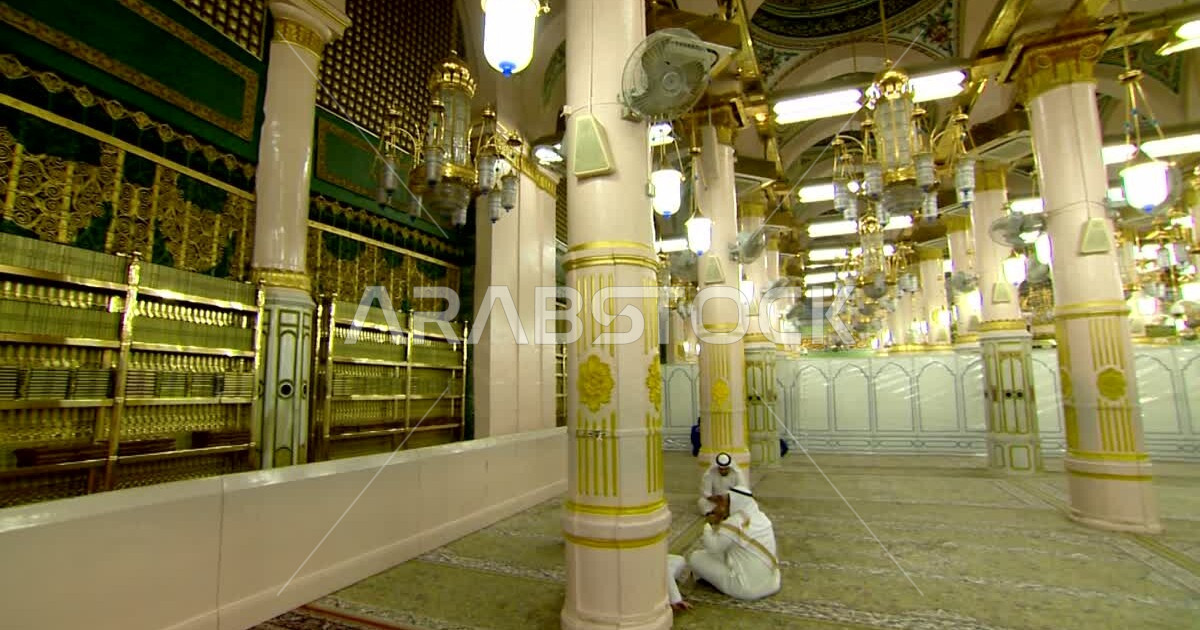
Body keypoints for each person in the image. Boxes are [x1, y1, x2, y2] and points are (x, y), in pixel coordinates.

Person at [688, 485, 781, 601]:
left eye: (726, 503)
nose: (723, 507)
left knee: (695, 557)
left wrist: (708, 525)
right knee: (726, 551)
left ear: (735, 503)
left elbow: (713, 548)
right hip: (772, 583)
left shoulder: (735, 521)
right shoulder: (762, 518)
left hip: (745, 588)